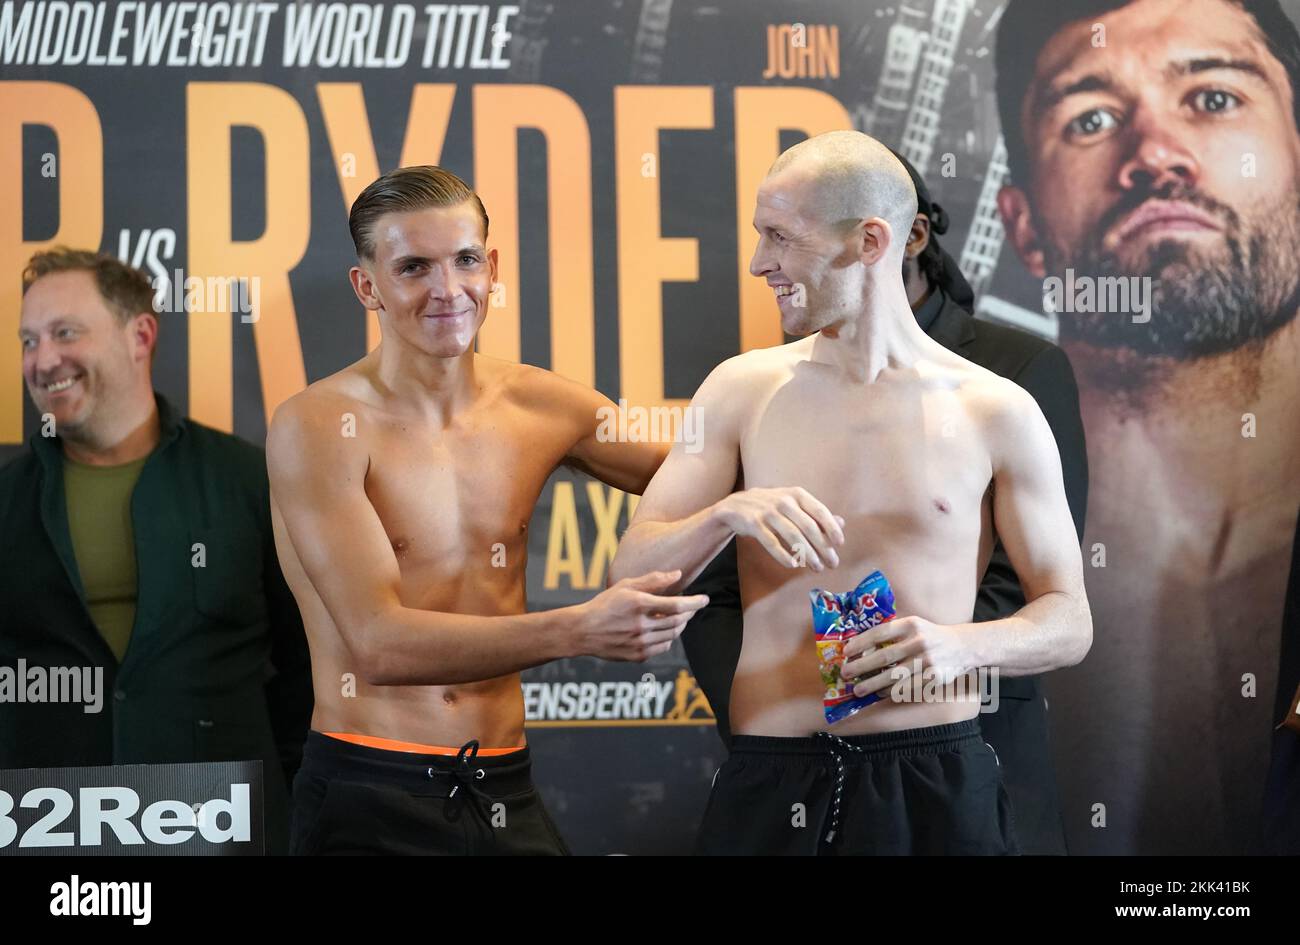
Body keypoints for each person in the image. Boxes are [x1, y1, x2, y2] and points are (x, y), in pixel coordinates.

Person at [611, 131, 1092, 855]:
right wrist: (727, 512)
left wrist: (961, 647)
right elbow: (631, 571)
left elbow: (1069, 618)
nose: (757, 262)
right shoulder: (740, 390)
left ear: (870, 241)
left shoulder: (996, 409)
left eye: (779, 237)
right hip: (772, 780)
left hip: (935, 779)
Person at [268, 165, 707, 856]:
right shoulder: (318, 425)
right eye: (414, 266)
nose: (447, 290)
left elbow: (702, 475)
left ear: (492, 266)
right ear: (367, 286)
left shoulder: (547, 406)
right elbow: (378, 643)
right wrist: (580, 629)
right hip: (369, 791)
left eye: (465, 260)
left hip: (503, 783)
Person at [994, 0, 1300, 853]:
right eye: (1090, 118)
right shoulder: (959, 513)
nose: (1155, 156)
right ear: (1021, 221)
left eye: (1212, 98)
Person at [1, 247, 312, 854]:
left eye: (65, 333)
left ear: (140, 334)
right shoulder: (6, 501)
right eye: (28, 341)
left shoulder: (247, 480)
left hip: (221, 827)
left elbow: (307, 671)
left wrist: (292, 810)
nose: (43, 360)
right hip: (49, 835)